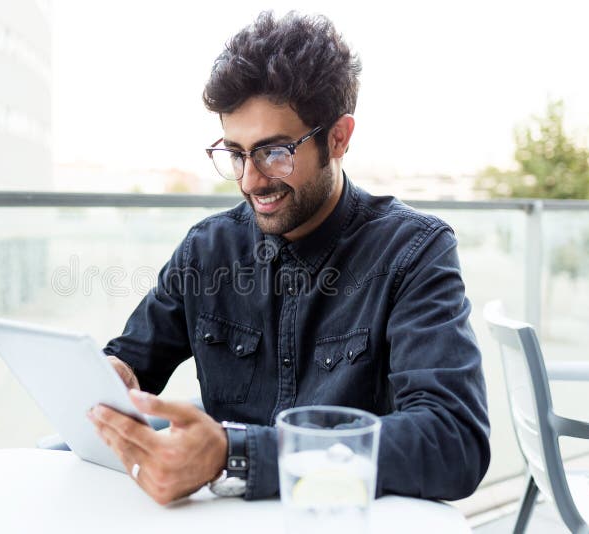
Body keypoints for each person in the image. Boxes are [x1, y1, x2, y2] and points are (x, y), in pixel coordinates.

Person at [87, 11, 490, 505]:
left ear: (338, 138)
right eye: (235, 153)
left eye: (275, 152)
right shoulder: (206, 250)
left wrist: (234, 453)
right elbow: (131, 363)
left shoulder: (413, 252)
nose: (250, 181)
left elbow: (453, 442)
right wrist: (112, 378)